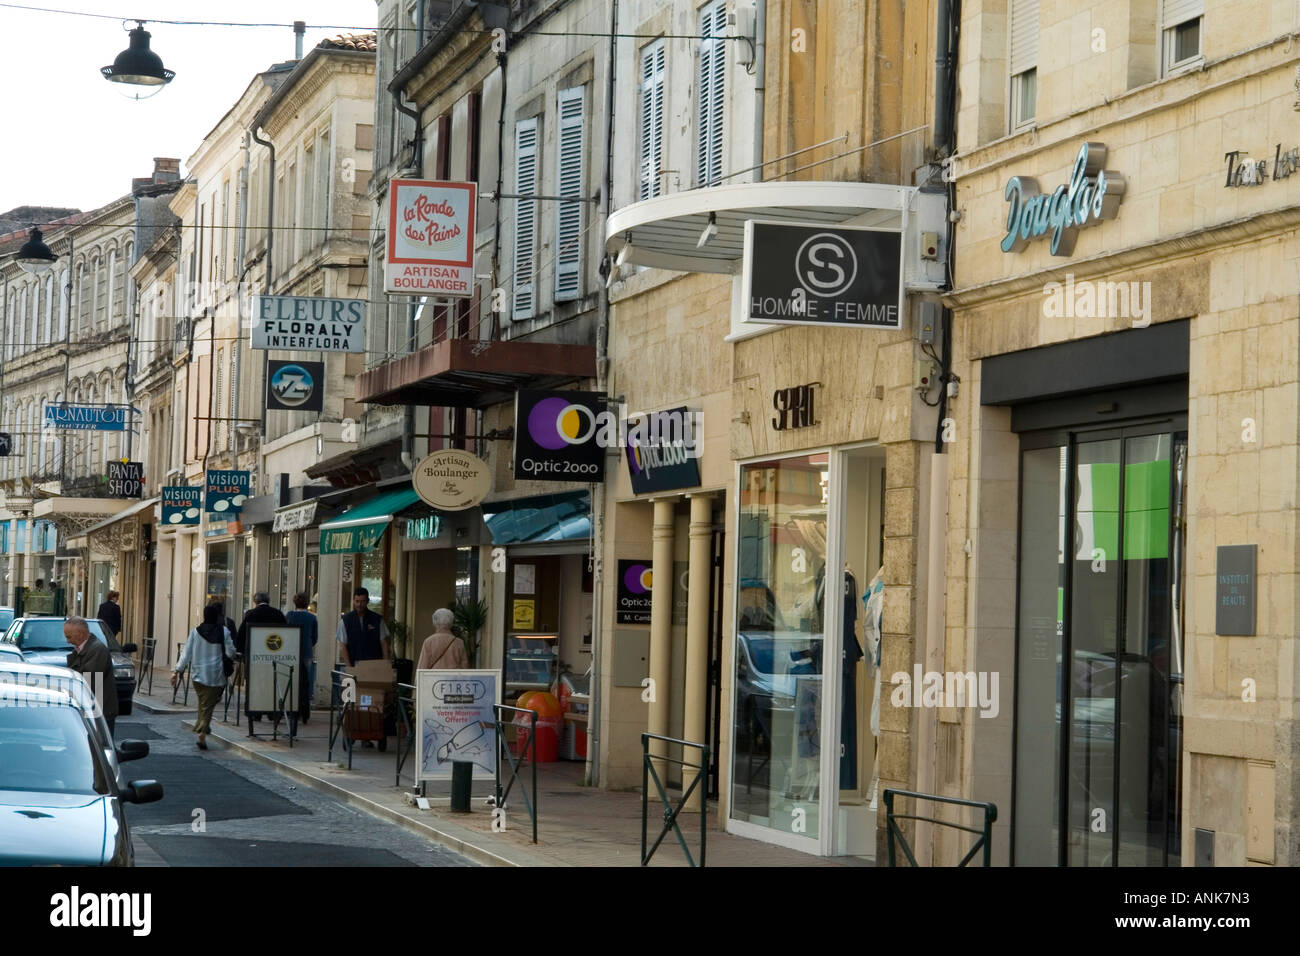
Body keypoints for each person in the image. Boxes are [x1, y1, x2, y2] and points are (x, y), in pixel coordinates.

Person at [172, 604, 236, 750]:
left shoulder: (195, 632)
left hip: (198, 675)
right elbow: (231, 652)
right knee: (208, 705)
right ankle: (202, 731)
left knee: (204, 703)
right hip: (216, 674)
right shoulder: (224, 631)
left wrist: (177, 670)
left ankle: (202, 728)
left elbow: (186, 653)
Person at [237, 592, 287, 725]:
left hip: (255, 656)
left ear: (255, 601)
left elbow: (242, 635)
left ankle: (256, 712)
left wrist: (241, 652)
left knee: (255, 684)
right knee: (273, 683)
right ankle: (273, 712)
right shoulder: (277, 614)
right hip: (274, 655)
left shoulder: (251, 614)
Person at [65, 615, 118, 738]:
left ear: (80, 633)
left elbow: (89, 681)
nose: (67, 641)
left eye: (69, 636)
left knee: (99, 746)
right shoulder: (84, 649)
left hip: (98, 712)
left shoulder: (97, 650)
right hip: (93, 709)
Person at [285, 591, 318, 723]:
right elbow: (315, 637)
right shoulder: (312, 618)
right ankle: (305, 710)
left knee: (292, 680)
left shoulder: (289, 616)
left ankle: (292, 709)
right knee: (305, 682)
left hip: (291, 652)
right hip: (306, 652)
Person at [336, 587, 389, 666]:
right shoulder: (345, 621)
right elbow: (343, 646)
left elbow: (384, 643)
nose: (359, 604)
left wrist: (386, 664)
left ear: (368, 601)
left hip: (375, 664)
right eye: (357, 601)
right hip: (354, 664)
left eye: (362, 601)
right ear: (353, 601)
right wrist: (349, 667)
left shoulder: (377, 620)